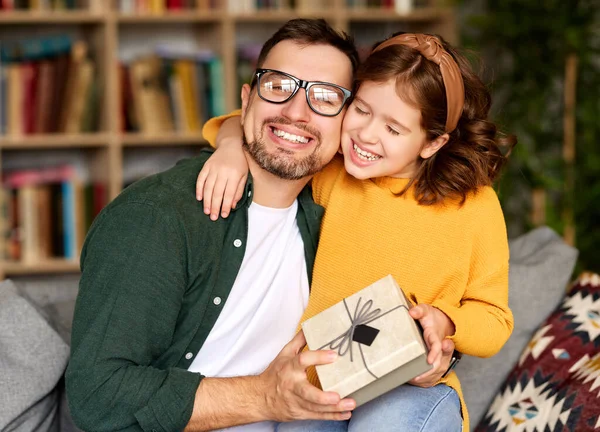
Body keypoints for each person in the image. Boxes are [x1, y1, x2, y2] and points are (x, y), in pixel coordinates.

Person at [65, 20, 455, 432]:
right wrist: (264, 396)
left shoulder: (338, 211)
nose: (296, 112)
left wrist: (436, 350)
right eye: (277, 86)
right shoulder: (156, 217)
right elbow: (98, 396)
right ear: (247, 99)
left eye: (324, 98)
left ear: (348, 121)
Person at [197, 32, 517, 432]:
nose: (366, 135)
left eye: (394, 129)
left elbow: (495, 319)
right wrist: (230, 148)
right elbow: (243, 123)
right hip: (321, 386)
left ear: (433, 143)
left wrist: (446, 322)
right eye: (361, 110)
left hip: (407, 387)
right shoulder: (331, 166)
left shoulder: (474, 204)